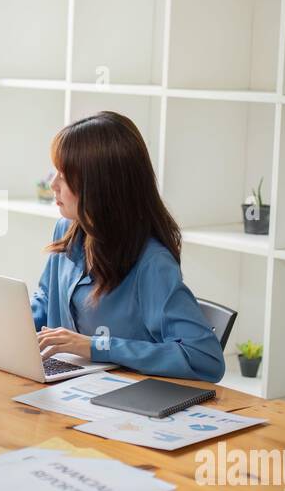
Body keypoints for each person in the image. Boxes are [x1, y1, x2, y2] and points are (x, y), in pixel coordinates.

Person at [31, 111, 226, 382]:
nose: (53, 184)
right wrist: (1, 324)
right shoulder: (68, 230)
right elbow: (46, 302)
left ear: (100, 186)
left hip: (125, 403)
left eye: (65, 175)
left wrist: (94, 347)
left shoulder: (152, 262)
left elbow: (205, 358)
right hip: (68, 389)